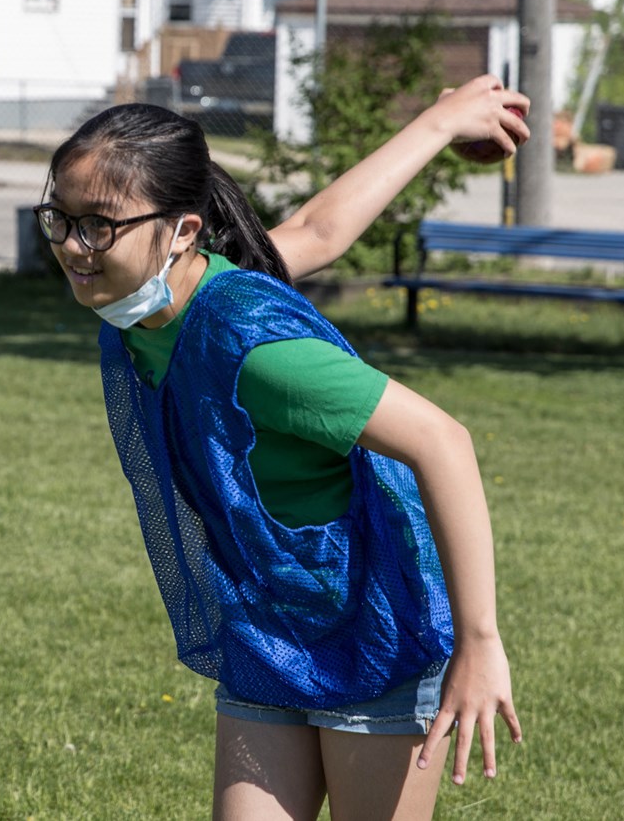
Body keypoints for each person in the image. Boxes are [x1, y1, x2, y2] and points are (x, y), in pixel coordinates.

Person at [34, 75, 529, 821]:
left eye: (100, 226)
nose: (74, 247)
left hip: (373, 632)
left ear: (184, 232)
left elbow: (442, 440)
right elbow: (320, 231)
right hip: (267, 631)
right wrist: (440, 121)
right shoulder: (153, 301)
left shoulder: (254, 347)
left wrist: (480, 643)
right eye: (61, 219)